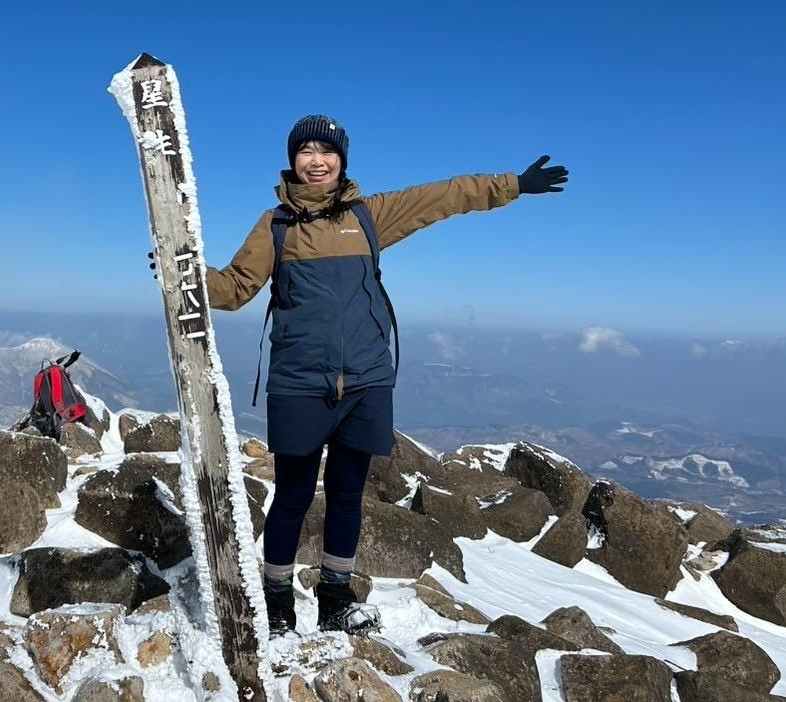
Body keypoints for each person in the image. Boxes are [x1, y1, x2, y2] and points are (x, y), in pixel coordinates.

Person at [203, 115, 568, 635]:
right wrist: (188, 276)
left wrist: (512, 185)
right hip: (301, 383)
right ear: (292, 160)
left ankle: (336, 597)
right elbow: (237, 287)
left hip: (368, 380)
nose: (316, 160)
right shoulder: (276, 226)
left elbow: (444, 196)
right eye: (305, 151)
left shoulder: (370, 216)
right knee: (292, 497)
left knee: (350, 494)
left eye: (325, 151)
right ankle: (277, 603)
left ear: (341, 160)